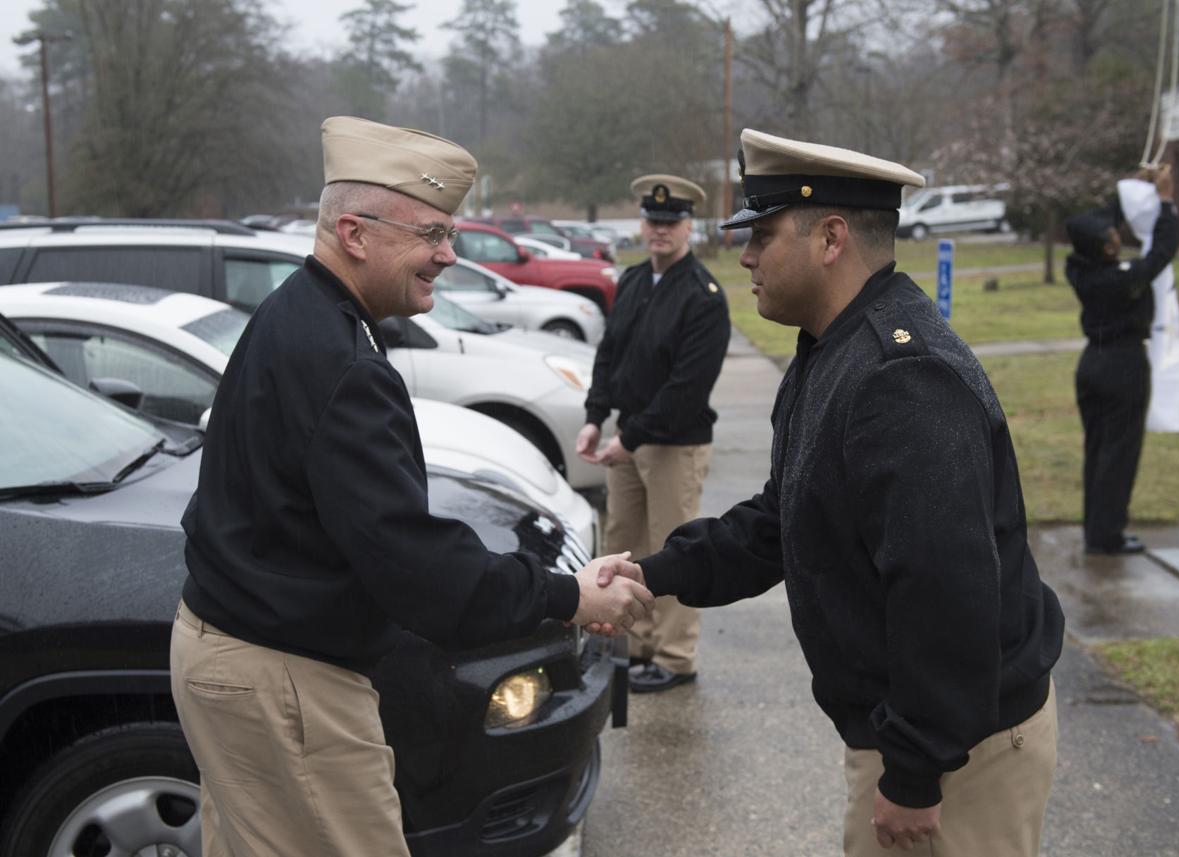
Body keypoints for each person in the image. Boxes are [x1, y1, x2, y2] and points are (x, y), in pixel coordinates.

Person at [170, 116, 653, 857]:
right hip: (286, 683)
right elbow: (419, 569)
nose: (449, 254)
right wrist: (570, 597)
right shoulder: (341, 360)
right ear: (356, 234)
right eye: (430, 234)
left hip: (240, 659)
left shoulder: (298, 315)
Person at [619, 129, 1065, 854]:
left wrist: (916, 769)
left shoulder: (900, 379)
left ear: (830, 238)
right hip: (916, 732)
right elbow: (783, 518)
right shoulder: (833, 348)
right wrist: (651, 572)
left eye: (762, 235)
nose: (746, 254)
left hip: (962, 752)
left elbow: (944, 588)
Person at [575, 174, 731, 693]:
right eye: (653, 221)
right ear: (642, 223)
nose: (660, 231)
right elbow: (609, 354)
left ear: (689, 227)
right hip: (629, 437)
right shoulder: (635, 280)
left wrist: (632, 435)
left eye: (672, 223)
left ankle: (675, 656)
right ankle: (632, 644)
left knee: (673, 550)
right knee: (624, 544)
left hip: (673, 443)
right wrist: (597, 416)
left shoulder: (704, 296)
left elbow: (687, 386)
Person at [1065, 165, 1178, 555]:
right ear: (1108, 248)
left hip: (1091, 366)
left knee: (1098, 450)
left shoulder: (1079, 267)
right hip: (1123, 367)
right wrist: (1164, 202)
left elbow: (1102, 221)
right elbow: (1162, 252)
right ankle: (1106, 535)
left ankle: (1096, 529)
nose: (1117, 232)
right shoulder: (1119, 279)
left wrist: (1132, 187)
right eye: (1113, 236)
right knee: (1119, 454)